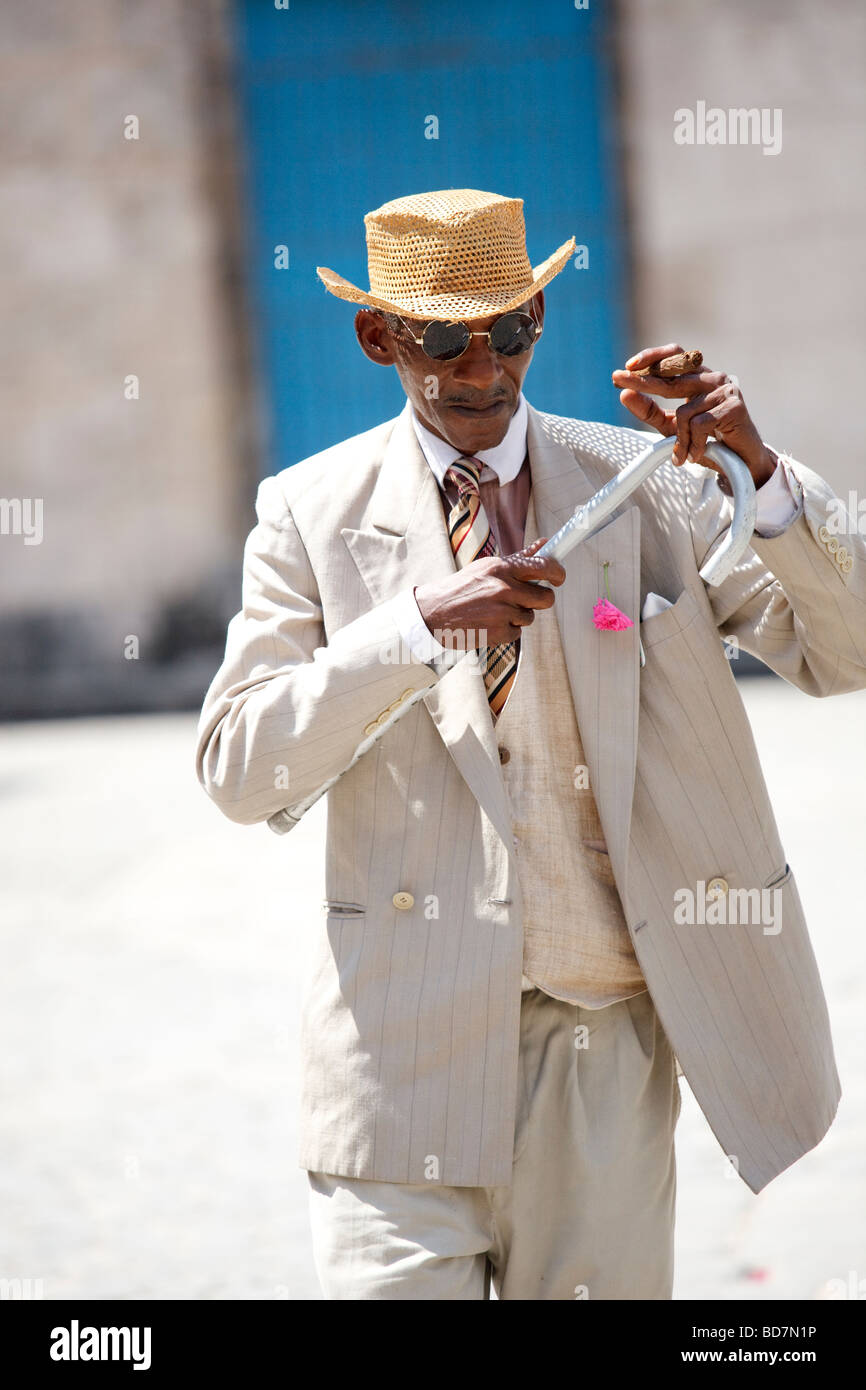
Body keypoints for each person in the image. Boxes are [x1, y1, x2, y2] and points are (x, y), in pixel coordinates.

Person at [195, 188, 865, 1300]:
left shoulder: (650, 489)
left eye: (505, 331)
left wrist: (754, 470)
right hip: (393, 1050)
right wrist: (409, 630)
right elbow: (237, 765)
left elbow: (842, 650)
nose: (479, 369)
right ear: (378, 337)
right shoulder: (306, 513)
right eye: (443, 338)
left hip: (598, 1041)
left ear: (540, 318)